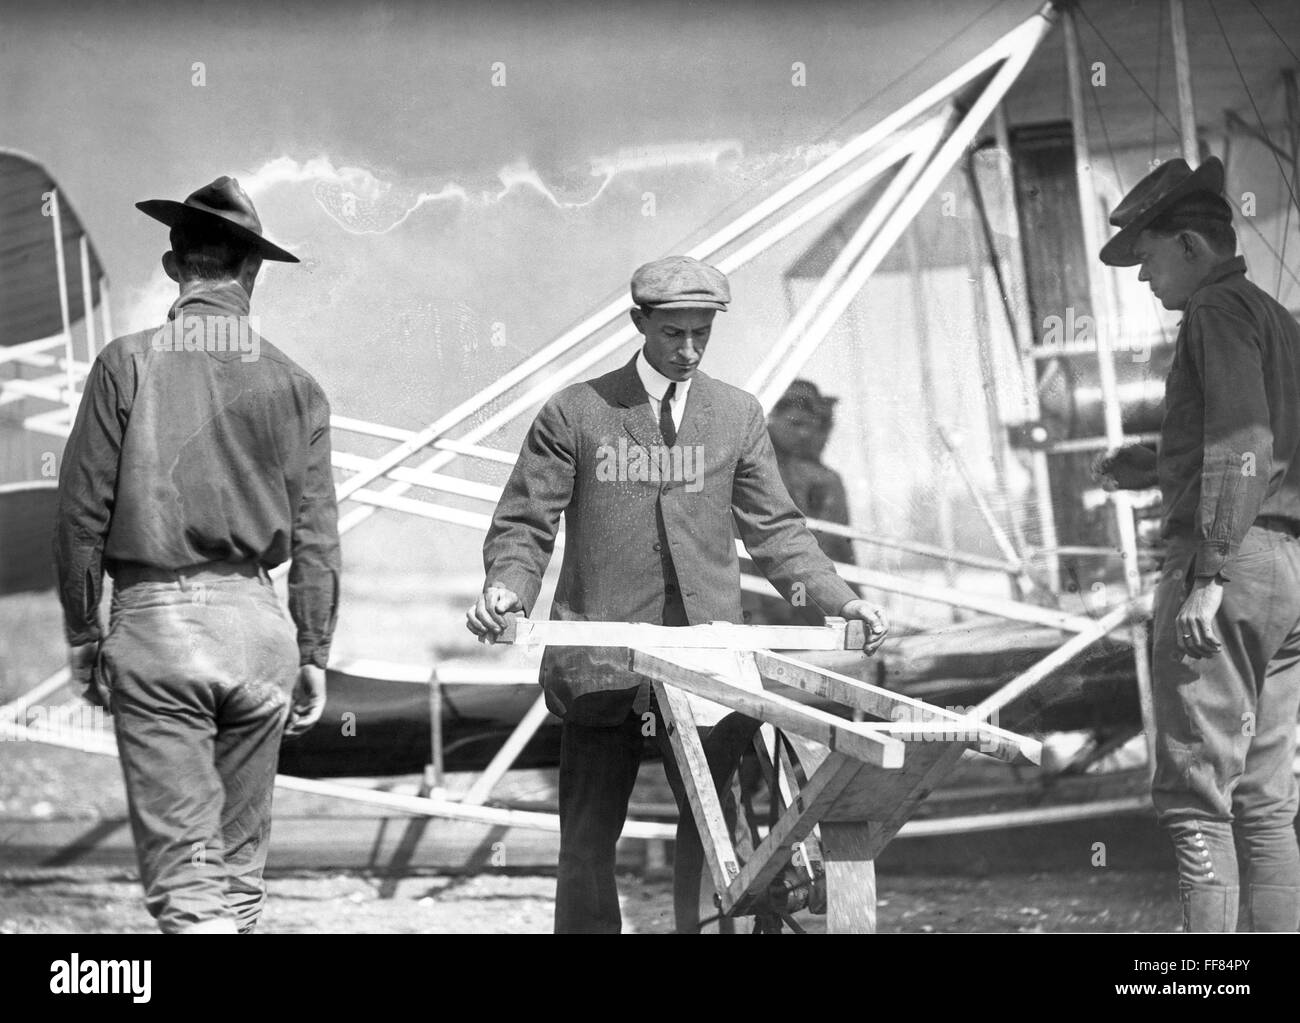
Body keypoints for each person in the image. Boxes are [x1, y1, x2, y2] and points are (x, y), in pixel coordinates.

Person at [466, 255, 888, 933]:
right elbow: (524, 523)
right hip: (601, 662)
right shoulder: (576, 413)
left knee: (716, 839)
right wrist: (506, 589)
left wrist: (840, 598)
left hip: (708, 669)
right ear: (640, 323)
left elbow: (776, 528)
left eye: (702, 333)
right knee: (586, 844)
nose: (688, 350)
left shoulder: (737, 415)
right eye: (673, 335)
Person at [53, 176, 341, 934]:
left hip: (160, 628)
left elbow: (82, 514)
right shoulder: (299, 387)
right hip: (262, 636)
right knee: (238, 876)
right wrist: (312, 647)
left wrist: (85, 631)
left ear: (175, 267)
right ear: (252, 274)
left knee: (186, 876)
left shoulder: (125, 364)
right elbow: (316, 537)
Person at [1093, 156, 1300, 931]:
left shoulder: (1212, 312)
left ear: (1189, 245)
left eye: (1146, 259)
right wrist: (1154, 465)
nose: (1145, 279)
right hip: (1287, 571)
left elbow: (1243, 443)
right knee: (1265, 799)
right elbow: (1265, 448)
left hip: (1227, 570)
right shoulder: (1278, 318)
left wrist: (1208, 573)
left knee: (1194, 800)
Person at [744, 379, 856, 627]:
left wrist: (854, 599)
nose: (804, 434)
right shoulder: (751, 467)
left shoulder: (823, 478)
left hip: (813, 593)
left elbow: (842, 547)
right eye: (795, 424)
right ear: (770, 417)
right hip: (765, 601)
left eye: (811, 426)